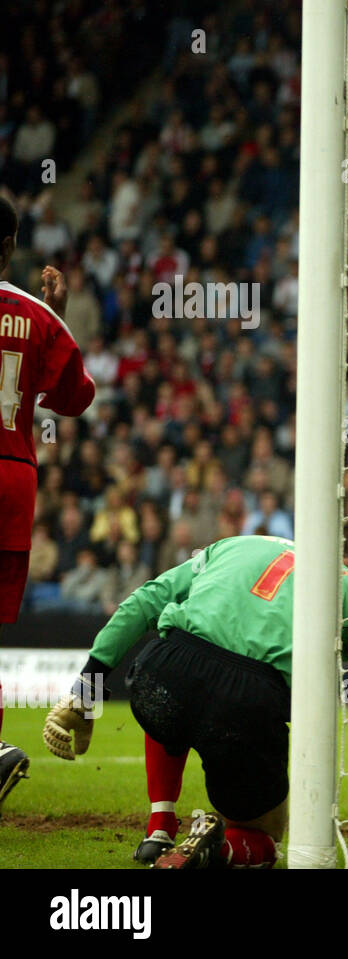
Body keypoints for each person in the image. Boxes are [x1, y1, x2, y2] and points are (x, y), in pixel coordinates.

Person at [41, 520, 348, 869]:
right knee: (266, 833)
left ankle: (159, 828)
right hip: (244, 701)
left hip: (159, 673)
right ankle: (217, 850)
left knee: (176, 701)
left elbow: (145, 600)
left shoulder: (237, 544)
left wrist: (84, 692)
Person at [0, 194, 97, 815]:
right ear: (10, 247)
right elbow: (75, 397)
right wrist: (54, 319)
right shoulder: (35, 315)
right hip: (13, 479)